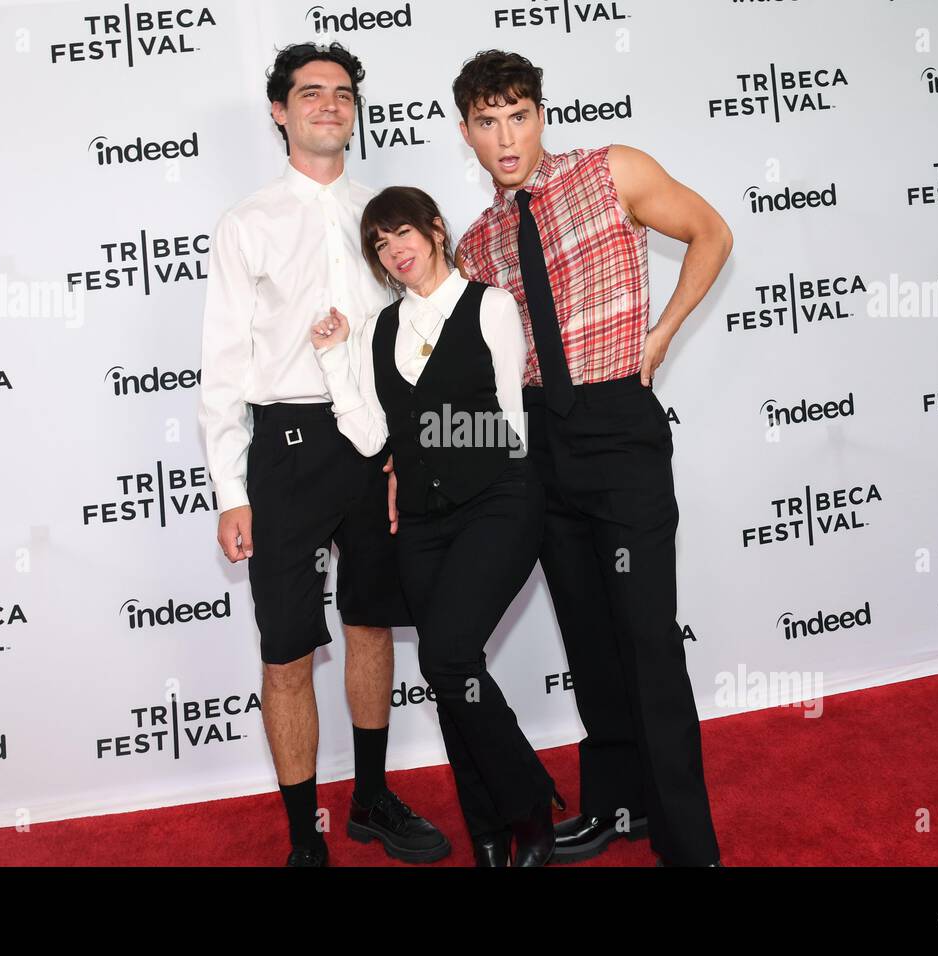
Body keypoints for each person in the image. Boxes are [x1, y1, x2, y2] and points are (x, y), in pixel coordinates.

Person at [452, 49, 734, 866]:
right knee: (588, 636)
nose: (506, 137)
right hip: (542, 443)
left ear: (542, 113)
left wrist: (664, 333)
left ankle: (689, 847)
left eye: (519, 115)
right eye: (487, 122)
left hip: (617, 428)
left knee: (648, 638)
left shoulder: (613, 171)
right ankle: (619, 808)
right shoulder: (478, 245)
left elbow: (711, 233)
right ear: (467, 132)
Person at [198, 41, 449, 867]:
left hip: (374, 445)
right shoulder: (247, 224)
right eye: (311, 93)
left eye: (342, 93)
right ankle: (304, 833)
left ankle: (372, 799)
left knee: (372, 624)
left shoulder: (388, 213)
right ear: (280, 110)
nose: (329, 105)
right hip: (286, 451)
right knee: (286, 649)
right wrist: (230, 489)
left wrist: (411, 448)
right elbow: (225, 366)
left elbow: (424, 336)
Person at [309, 186, 558, 866]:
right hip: (419, 524)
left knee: (447, 658)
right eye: (381, 244)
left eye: (403, 233)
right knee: (453, 671)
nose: (395, 249)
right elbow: (369, 437)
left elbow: (508, 416)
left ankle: (530, 808)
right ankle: (487, 828)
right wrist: (333, 358)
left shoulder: (490, 305)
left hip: (497, 504)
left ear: (436, 230)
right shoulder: (380, 329)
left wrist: (441, 447)